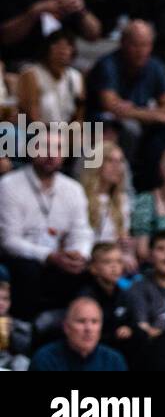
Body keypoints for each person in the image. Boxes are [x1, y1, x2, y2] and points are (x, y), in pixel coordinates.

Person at [0, 136, 93, 319]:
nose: (51, 154)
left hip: (60, 257)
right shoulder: (9, 185)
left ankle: (70, 328)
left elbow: (82, 232)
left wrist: (79, 254)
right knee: (29, 270)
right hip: (21, 258)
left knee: (88, 272)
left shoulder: (73, 189)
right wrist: (49, 256)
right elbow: (9, 241)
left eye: (58, 148)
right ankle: (25, 329)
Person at [86, 19, 165, 148]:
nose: (141, 51)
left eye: (145, 45)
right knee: (131, 128)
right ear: (123, 43)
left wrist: (133, 112)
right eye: (135, 45)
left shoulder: (156, 67)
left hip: (139, 120)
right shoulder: (107, 65)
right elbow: (110, 105)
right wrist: (151, 114)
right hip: (101, 122)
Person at [127, 229, 165, 368]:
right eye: (160, 249)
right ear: (151, 254)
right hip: (152, 352)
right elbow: (143, 327)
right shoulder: (138, 287)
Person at [29, 295, 127, 371]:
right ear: (66, 327)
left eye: (94, 322)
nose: (88, 329)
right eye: (81, 321)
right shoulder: (46, 359)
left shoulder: (114, 361)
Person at [81, 142, 136, 273]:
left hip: (112, 263)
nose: (117, 167)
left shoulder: (122, 200)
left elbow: (123, 239)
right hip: (88, 262)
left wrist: (127, 250)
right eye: (110, 161)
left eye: (120, 161)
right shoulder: (81, 197)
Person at [15, 29, 83, 126]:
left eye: (67, 45)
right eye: (57, 44)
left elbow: (79, 115)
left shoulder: (76, 76)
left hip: (65, 130)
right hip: (35, 130)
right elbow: (32, 115)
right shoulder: (32, 74)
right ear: (46, 48)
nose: (62, 49)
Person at [79, 242, 135, 351]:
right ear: (93, 268)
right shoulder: (87, 297)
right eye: (107, 262)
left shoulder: (124, 293)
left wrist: (128, 328)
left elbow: (131, 319)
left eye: (119, 262)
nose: (114, 267)